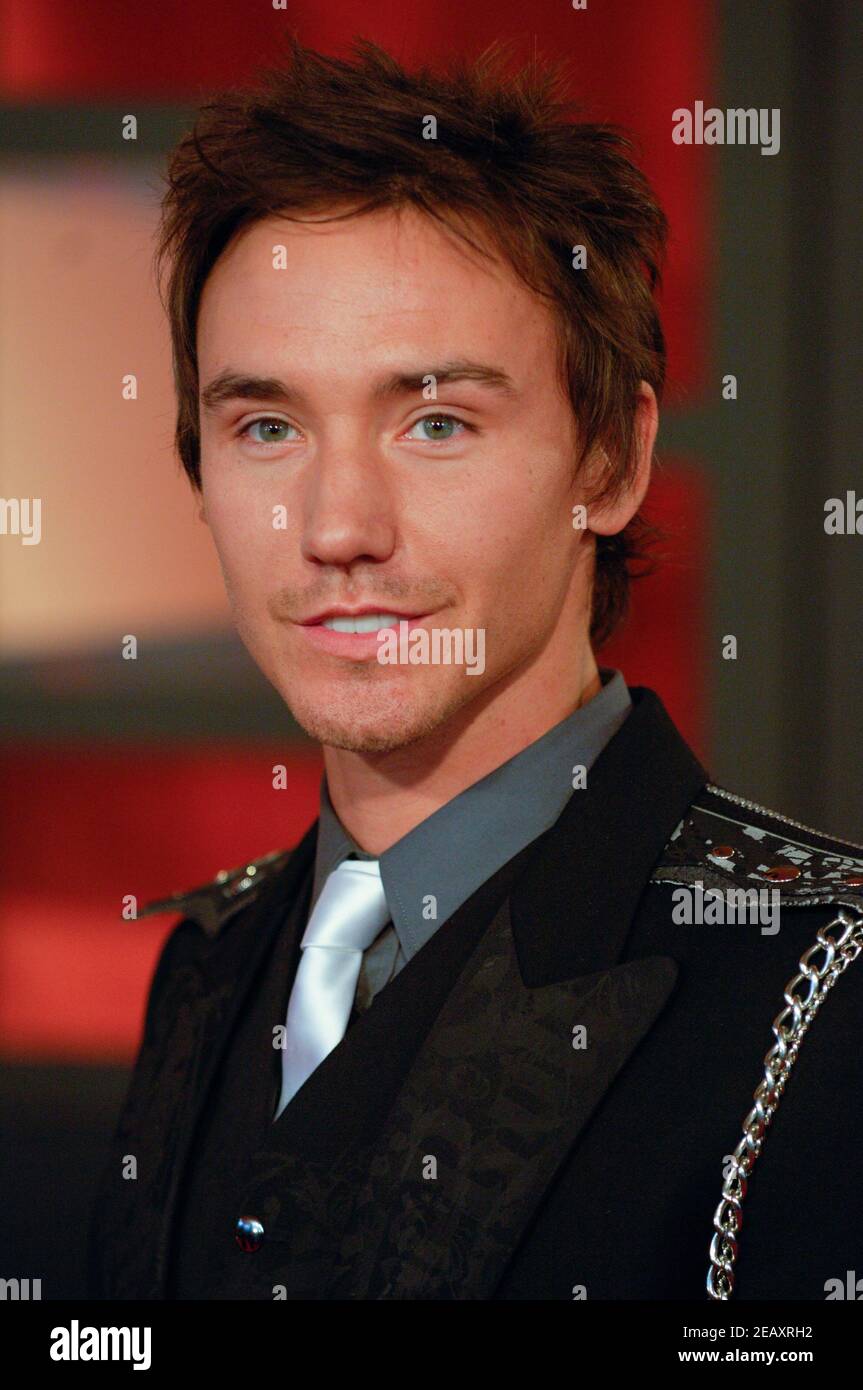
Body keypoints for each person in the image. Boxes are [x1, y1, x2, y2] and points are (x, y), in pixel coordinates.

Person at [88, 36, 863, 1302]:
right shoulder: (211, 964)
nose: (338, 526)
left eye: (436, 421)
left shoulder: (820, 990)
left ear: (607, 461)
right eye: (267, 426)